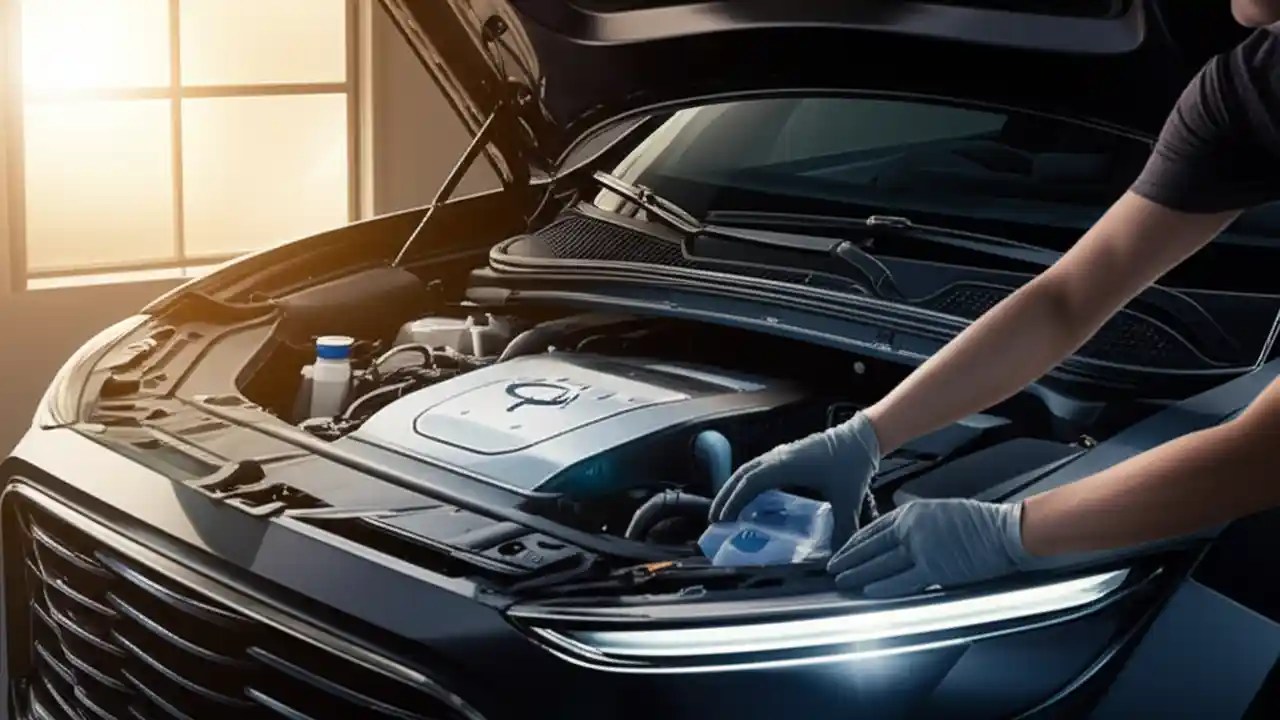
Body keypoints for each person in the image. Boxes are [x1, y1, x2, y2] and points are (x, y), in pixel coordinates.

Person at [709, 0, 1280, 598]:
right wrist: (867, 434)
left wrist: (1011, 534)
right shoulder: (1250, 89)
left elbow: (1267, 454)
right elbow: (1069, 296)